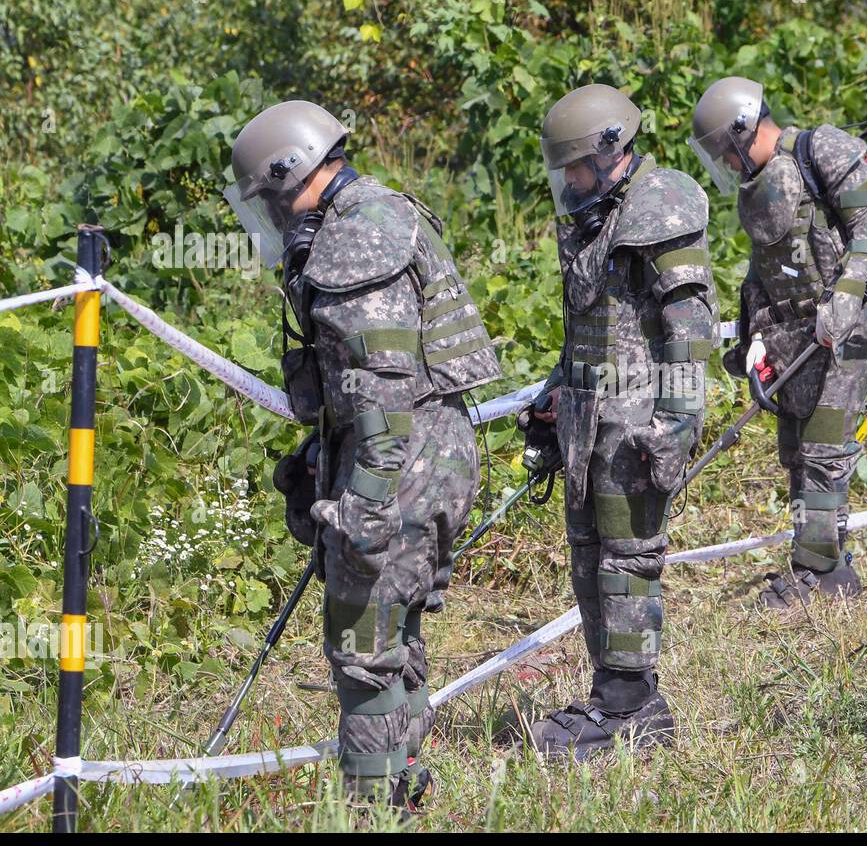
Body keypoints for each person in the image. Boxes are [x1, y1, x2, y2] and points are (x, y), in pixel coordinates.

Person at [226, 100, 502, 806]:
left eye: (271, 201)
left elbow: (382, 389)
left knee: (362, 646)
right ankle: (404, 783)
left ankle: (374, 807)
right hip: (425, 445)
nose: (274, 220)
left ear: (296, 176)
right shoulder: (374, 212)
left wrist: (363, 504)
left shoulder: (356, 238)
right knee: (392, 630)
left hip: (402, 454)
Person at [524, 84, 718, 759]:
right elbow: (586, 319)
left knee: (628, 560)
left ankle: (634, 707)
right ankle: (613, 691)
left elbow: (689, 327)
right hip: (586, 417)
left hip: (636, 419)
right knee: (588, 557)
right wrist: (555, 389)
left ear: (609, 153)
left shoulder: (657, 206)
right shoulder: (589, 217)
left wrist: (676, 422)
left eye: (575, 165)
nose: (568, 179)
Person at [689, 76, 867, 609]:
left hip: (853, 326)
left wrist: (846, 295)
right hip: (794, 335)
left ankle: (816, 576)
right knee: (797, 454)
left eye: (723, 151)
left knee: (825, 447)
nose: (726, 164)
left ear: (744, 127)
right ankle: (831, 564)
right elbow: (762, 274)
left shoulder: (820, 148)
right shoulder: (756, 187)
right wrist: (751, 338)